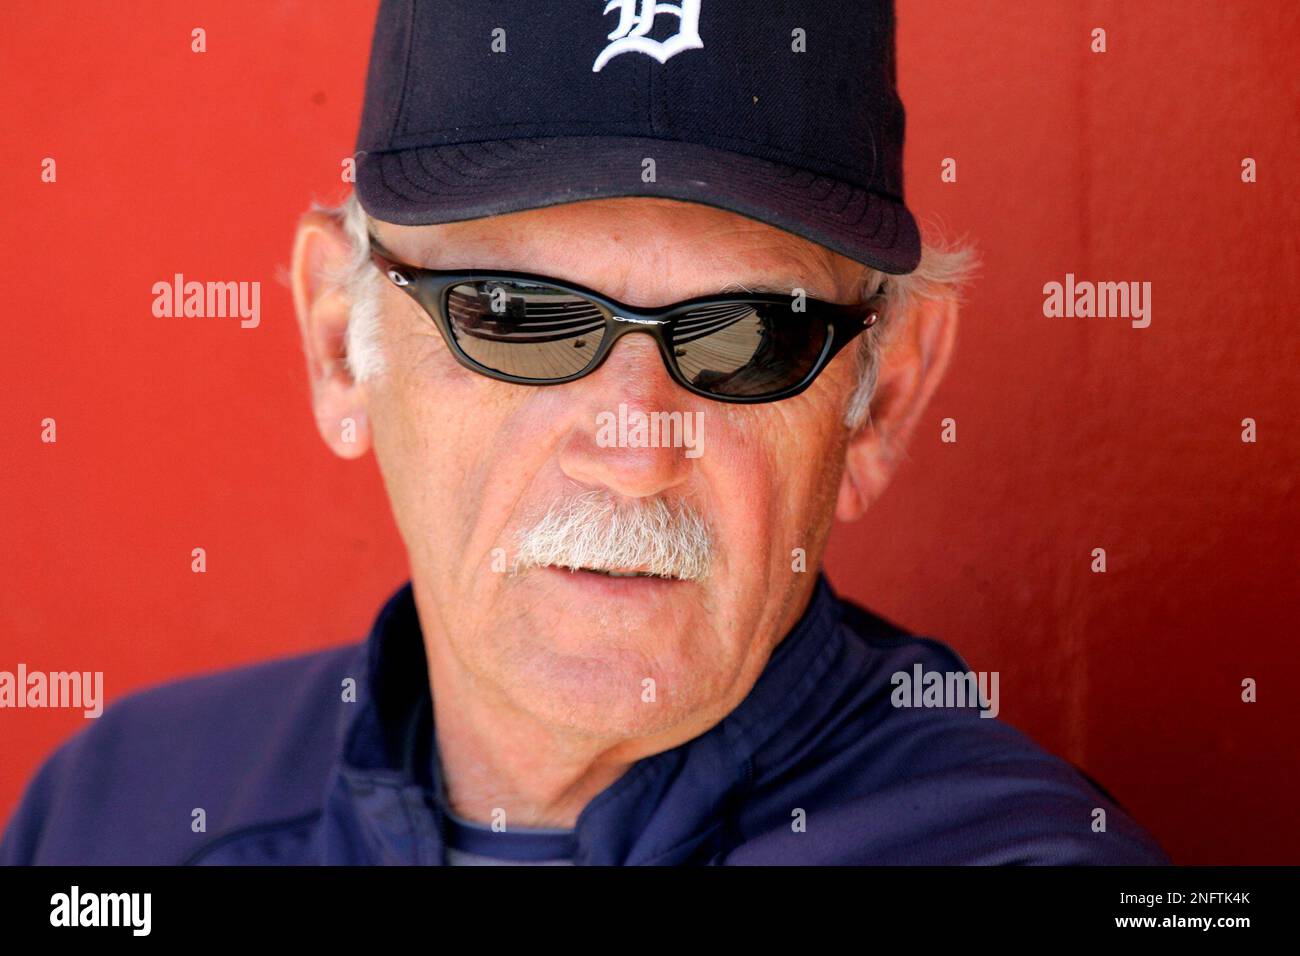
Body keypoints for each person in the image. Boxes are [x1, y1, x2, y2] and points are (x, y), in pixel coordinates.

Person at [1, 0, 1168, 865]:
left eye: (749, 336)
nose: (633, 444)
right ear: (335, 344)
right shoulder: (117, 816)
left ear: (882, 399)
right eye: (515, 316)